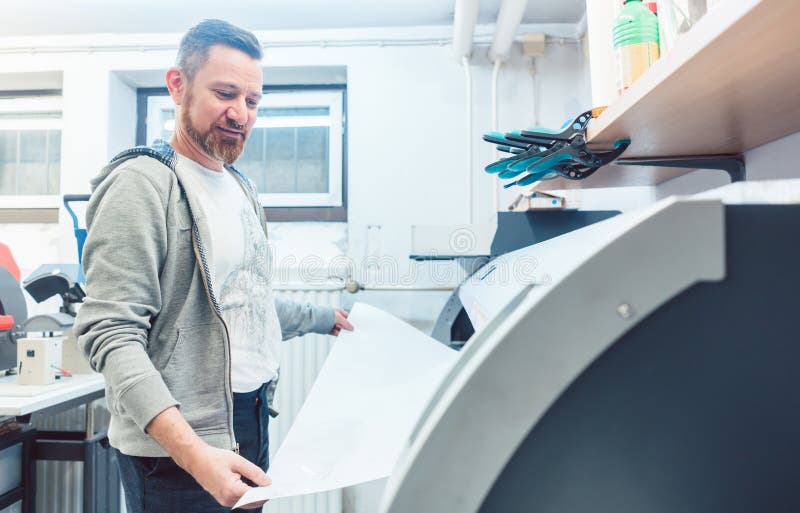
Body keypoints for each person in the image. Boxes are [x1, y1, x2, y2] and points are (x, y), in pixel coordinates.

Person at [74, 19, 354, 512]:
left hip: (248, 418)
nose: (240, 113)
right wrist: (195, 455)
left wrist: (322, 318)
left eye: (251, 101)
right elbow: (111, 333)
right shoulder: (142, 185)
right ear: (177, 85)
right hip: (174, 444)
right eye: (225, 93)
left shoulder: (241, 187)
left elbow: (243, 305)